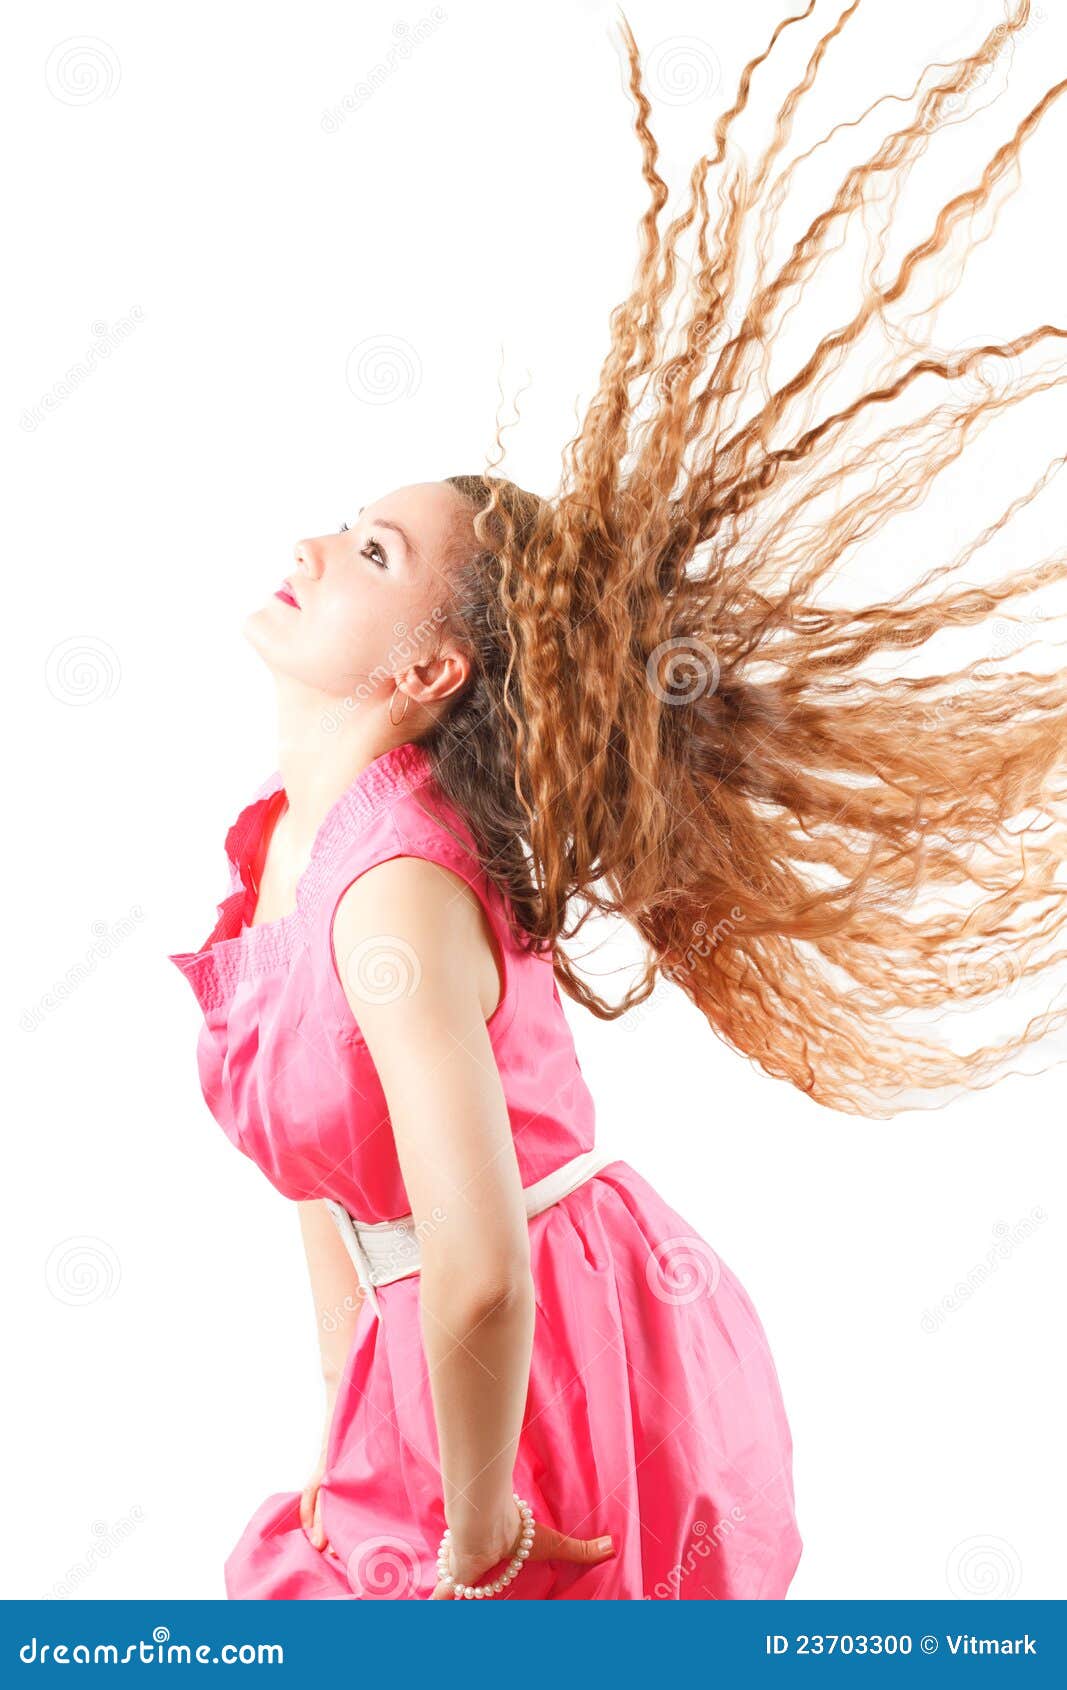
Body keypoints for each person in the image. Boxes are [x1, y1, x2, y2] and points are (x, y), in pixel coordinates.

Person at [168, 1, 1067, 1600]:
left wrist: (474, 1520)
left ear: (436, 667)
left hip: (559, 1357)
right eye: (347, 525)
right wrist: (340, 1438)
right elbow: (329, 1189)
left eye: (373, 553)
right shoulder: (283, 851)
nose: (314, 545)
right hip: (445, 1355)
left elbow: (482, 1269)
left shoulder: (389, 893)